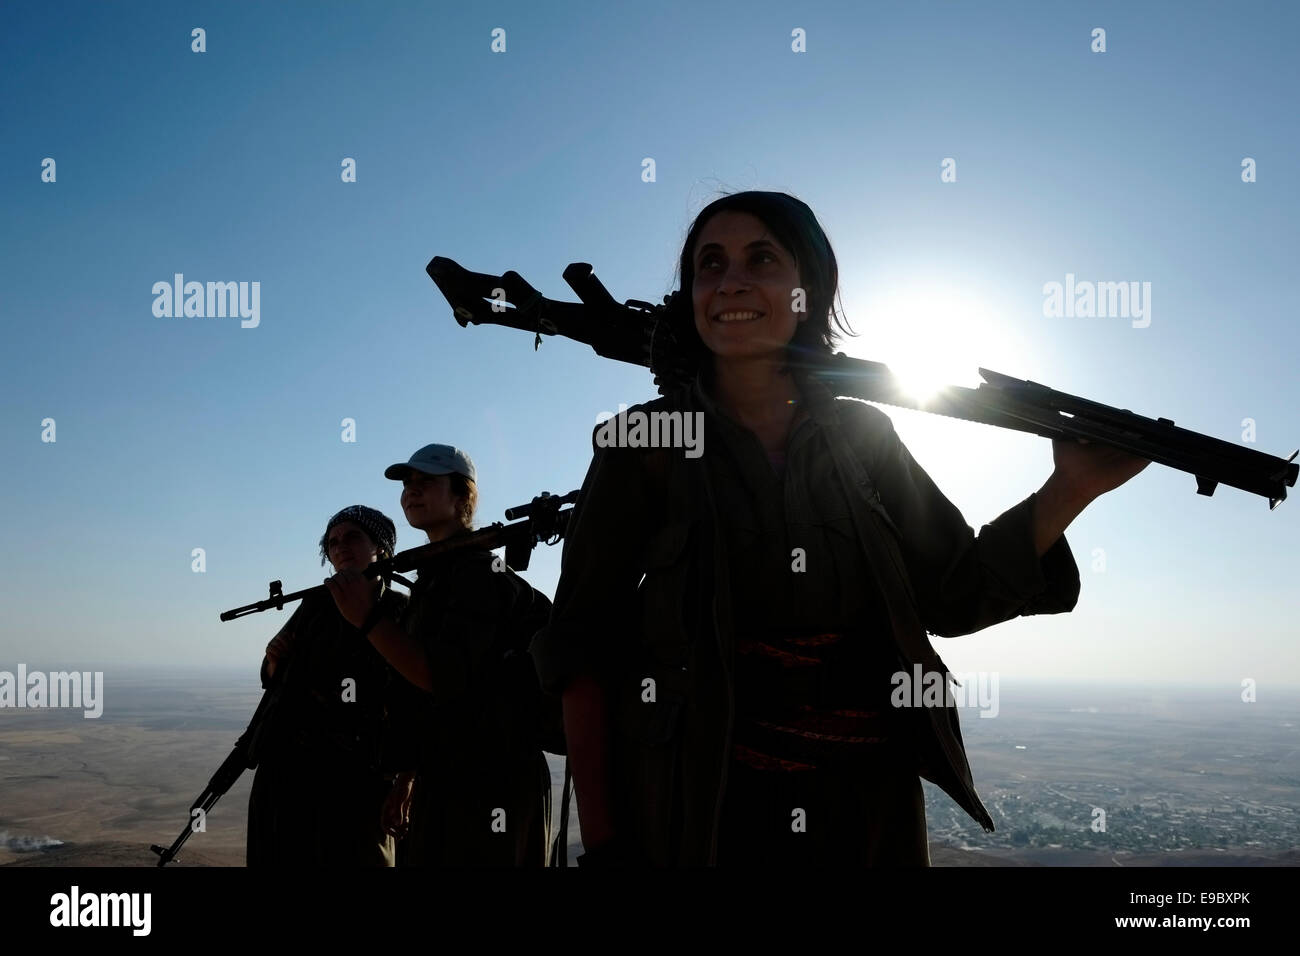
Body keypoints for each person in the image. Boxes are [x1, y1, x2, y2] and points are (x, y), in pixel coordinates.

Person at [530, 190, 1150, 866]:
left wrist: (1070, 489)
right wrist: (609, 847)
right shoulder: (641, 442)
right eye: (710, 264)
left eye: (761, 258)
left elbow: (952, 596)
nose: (731, 280)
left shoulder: (865, 436)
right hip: (702, 813)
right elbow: (580, 652)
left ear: (807, 291)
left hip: (867, 810)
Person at [324, 444, 552, 866]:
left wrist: (369, 619)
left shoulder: (478, 574)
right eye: (408, 483)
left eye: (427, 481)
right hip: (447, 776)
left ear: (463, 497)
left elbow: (441, 676)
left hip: (491, 782)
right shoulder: (437, 577)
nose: (412, 491)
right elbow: (423, 698)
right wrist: (407, 778)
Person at [246, 505, 411, 867]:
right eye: (333, 541)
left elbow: (415, 700)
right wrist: (273, 660)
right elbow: (271, 676)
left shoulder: (400, 610)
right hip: (291, 769)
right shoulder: (316, 605)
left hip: (362, 778)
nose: (341, 547)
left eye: (353, 537)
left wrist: (404, 783)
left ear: (380, 547)